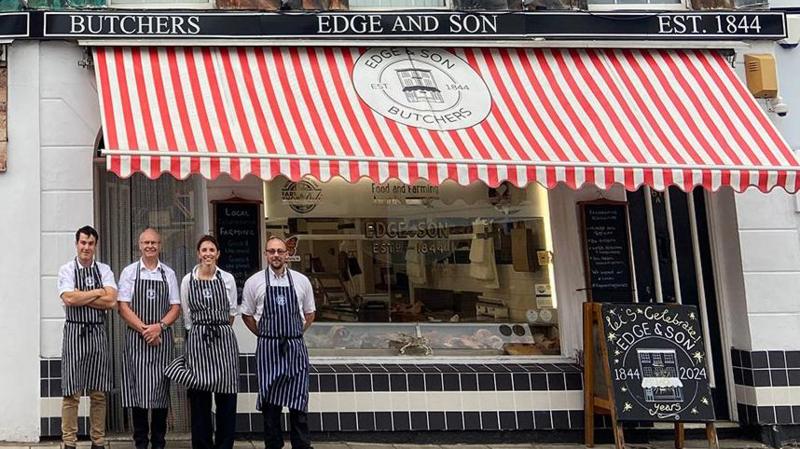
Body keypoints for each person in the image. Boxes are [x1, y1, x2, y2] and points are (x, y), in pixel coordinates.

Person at [165, 235, 240, 449]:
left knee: (226, 398)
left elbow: (232, 313)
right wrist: (200, 334)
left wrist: (218, 329)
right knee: (200, 399)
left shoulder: (227, 279)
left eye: (212, 250)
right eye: (204, 250)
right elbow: (187, 315)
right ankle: (202, 445)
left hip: (224, 341)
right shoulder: (188, 280)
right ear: (198, 254)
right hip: (198, 340)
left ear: (218, 254)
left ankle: (224, 445)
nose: (208, 253)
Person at [242, 236, 316, 449]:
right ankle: (273, 445)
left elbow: (310, 313)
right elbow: (247, 315)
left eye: (280, 251)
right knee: (270, 406)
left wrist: (294, 334)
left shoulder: (302, 281)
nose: (276, 255)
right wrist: (266, 335)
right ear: (266, 254)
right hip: (268, 349)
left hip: (294, 348)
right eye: (272, 251)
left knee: (298, 404)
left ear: (287, 254)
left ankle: (301, 446)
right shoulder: (254, 282)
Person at [117, 228, 181, 449]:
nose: (150, 246)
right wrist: (146, 330)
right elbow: (123, 307)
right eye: (146, 242)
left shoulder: (168, 274)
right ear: (140, 245)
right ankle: (141, 443)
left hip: (161, 341)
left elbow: (175, 308)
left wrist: (159, 327)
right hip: (137, 341)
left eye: (154, 242)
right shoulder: (129, 272)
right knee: (138, 394)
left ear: (160, 246)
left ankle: (159, 442)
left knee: (161, 393)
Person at [57, 225, 118, 449]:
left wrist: (81, 296)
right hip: (74, 333)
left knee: (98, 393)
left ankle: (98, 441)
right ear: (76, 244)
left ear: (95, 245)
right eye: (83, 242)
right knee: (71, 393)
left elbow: (111, 301)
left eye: (90, 243)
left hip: (97, 333)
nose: (86, 247)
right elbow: (68, 299)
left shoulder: (104, 270)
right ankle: (69, 442)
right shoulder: (66, 270)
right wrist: (97, 292)